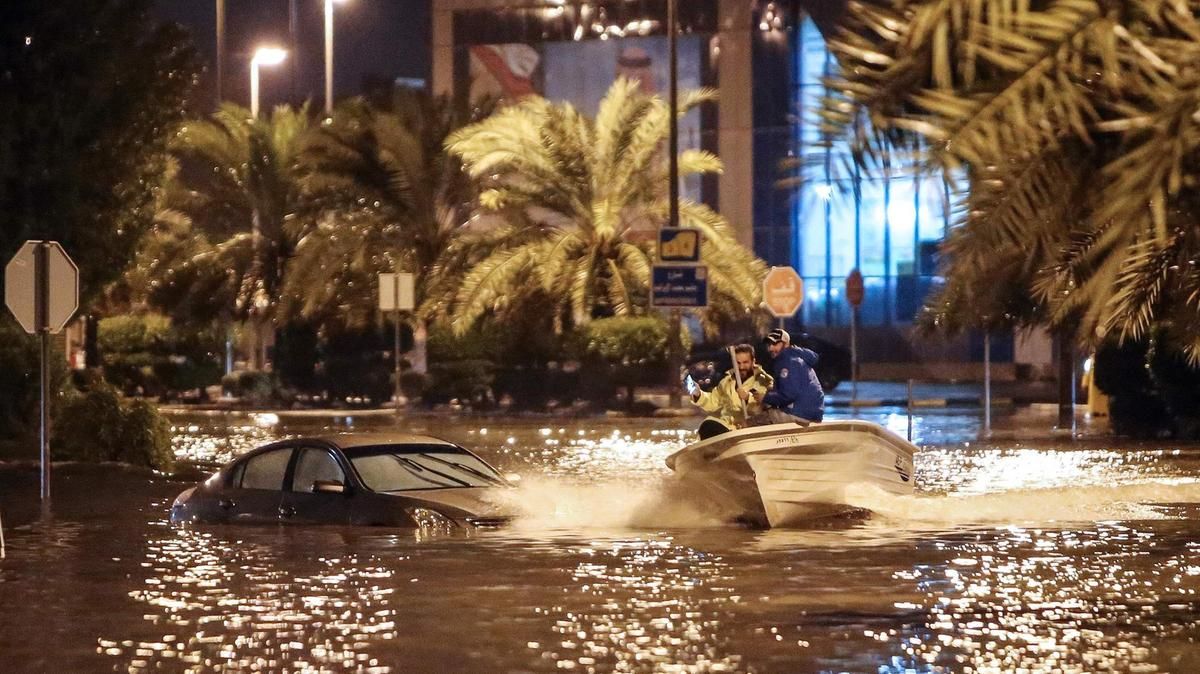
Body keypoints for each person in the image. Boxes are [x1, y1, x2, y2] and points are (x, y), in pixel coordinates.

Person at [687, 343, 774, 439]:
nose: (741, 367)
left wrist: (748, 397)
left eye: (745, 362)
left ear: (753, 361)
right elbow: (712, 402)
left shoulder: (764, 381)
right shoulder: (727, 382)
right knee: (707, 425)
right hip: (726, 430)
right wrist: (698, 394)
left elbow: (767, 402)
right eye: (738, 363)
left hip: (750, 430)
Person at [759, 328, 824, 423]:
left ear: (786, 344)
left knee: (752, 422)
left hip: (798, 413)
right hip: (812, 413)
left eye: (775, 344)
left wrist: (765, 397)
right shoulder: (797, 357)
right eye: (769, 345)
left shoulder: (788, 362)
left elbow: (789, 394)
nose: (770, 348)